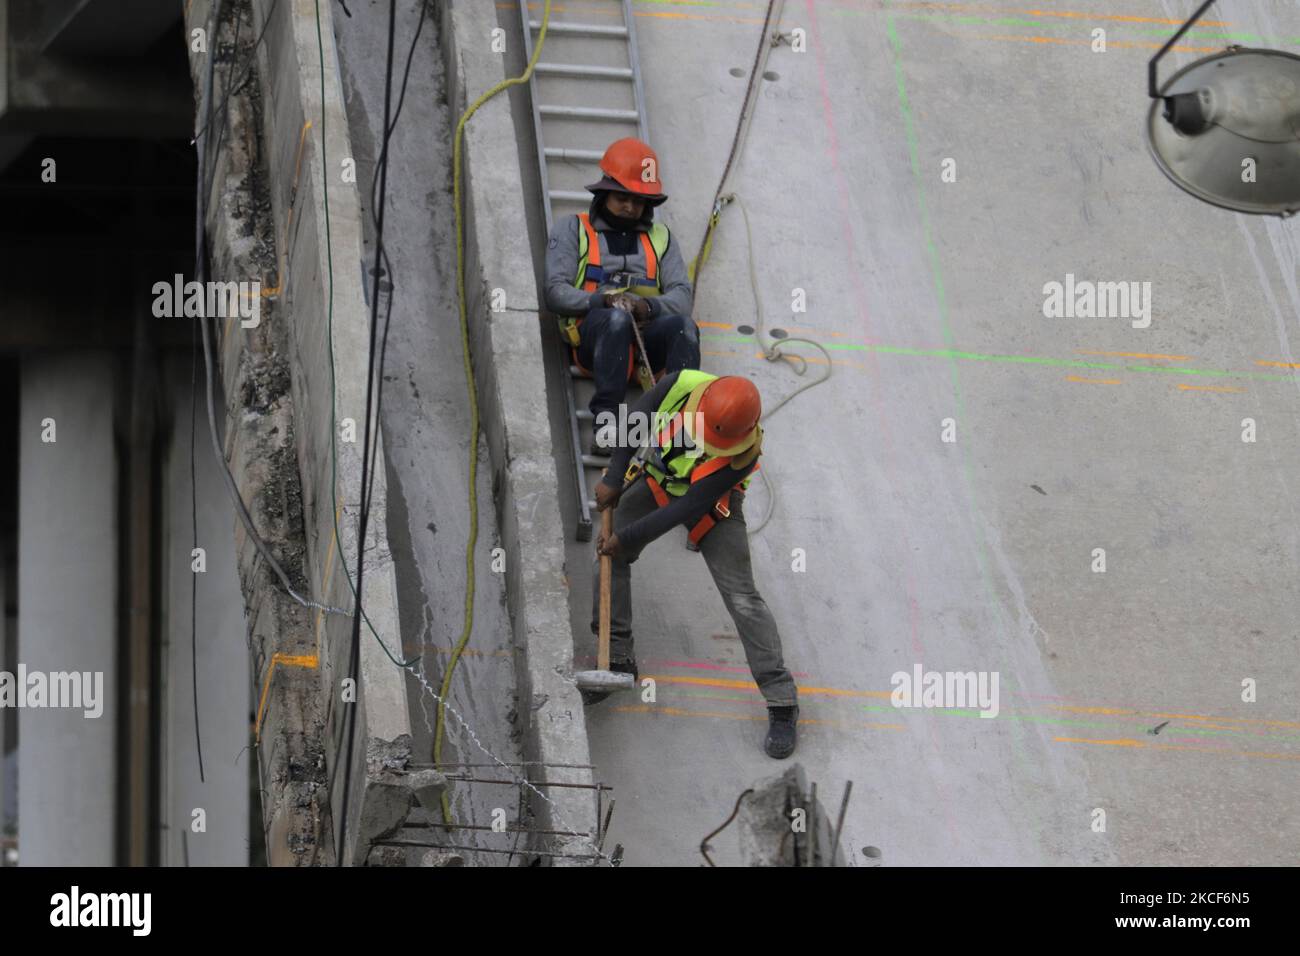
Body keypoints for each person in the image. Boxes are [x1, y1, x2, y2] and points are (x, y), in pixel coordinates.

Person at [586, 369, 800, 758]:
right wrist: (616, 476)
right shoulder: (680, 387)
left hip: (711, 507)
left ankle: (782, 700)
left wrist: (627, 538)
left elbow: (687, 507)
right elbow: (635, 422)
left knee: (743, 598)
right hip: (656, 479)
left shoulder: (744, 452)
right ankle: (618, 657)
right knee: (607, 554)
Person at [544, 138, 698, 449]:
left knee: (685, 327)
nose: (630, 207)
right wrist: (602, 301)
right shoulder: (573, 229)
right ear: (604, 191)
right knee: (615, 320)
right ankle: (608, 427)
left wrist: (649, 308)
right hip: (595, 336)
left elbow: (682, 295)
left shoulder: (662, 239)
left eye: (638, 200)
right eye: (621, 197)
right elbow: (555, 291)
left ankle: (678, 428)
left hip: (644, 339)